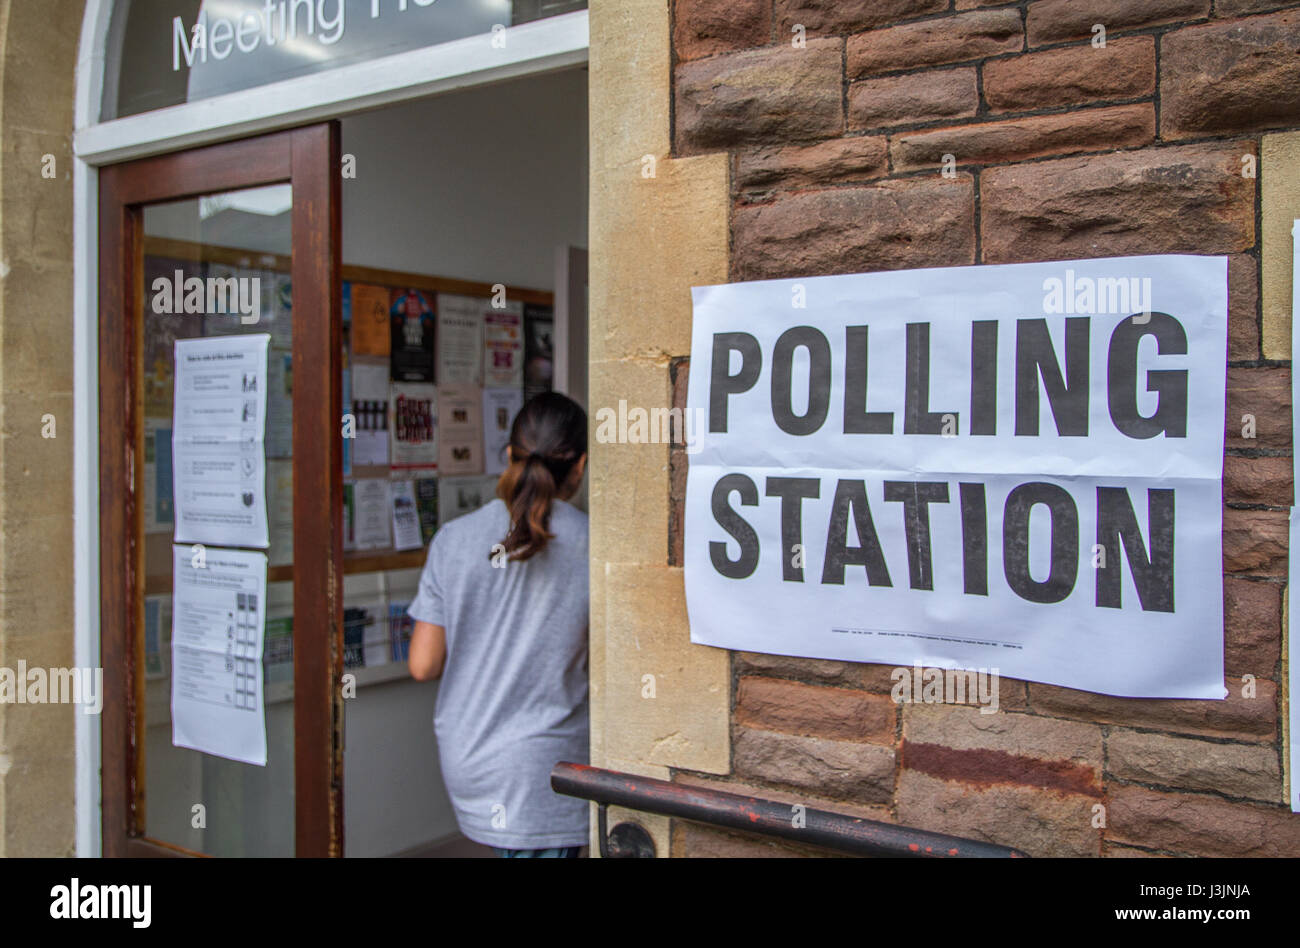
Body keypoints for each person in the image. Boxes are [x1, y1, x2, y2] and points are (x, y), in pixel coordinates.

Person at [407, 392, 590, 858]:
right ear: (581, 466)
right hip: (545, 771)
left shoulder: (453, 539)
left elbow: (423, 664)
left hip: (470, 759)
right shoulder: (595, 546)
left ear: (508, 455)